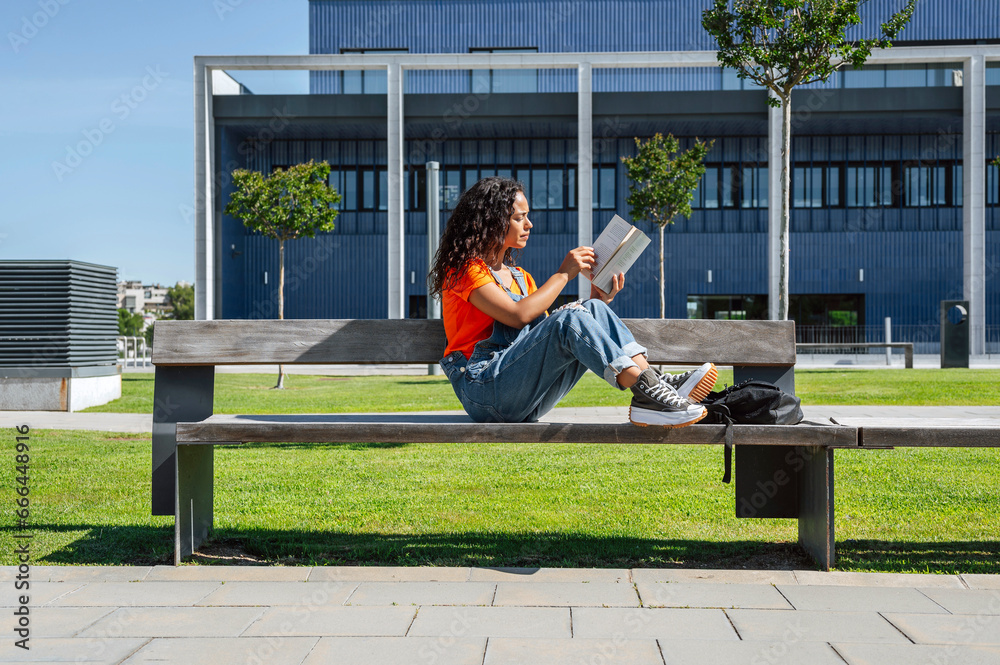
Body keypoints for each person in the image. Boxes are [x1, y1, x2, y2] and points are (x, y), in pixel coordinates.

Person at [429, 176, 716, 427]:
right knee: (570, 317)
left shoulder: (521, 278)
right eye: (519, 218)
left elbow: (543, 337)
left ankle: (652, 384)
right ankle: (648, 390)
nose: (529, 224)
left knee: (591, 308)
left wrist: (596, 301)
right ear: (491, 222)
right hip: (484, 391)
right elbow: (518, 315)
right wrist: (564, 274)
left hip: (526, 395)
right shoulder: (465, 270)